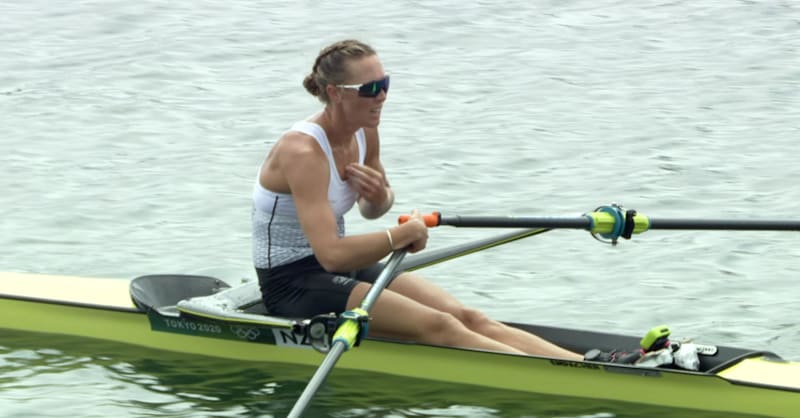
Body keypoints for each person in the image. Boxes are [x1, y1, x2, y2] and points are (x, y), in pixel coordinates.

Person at [252, 39, 581, 360]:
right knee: (440, 325)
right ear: (336, 93)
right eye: (369, 89)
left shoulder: (365, 129)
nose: (381, 96)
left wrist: (380, 196)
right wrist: (399, 236)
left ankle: (585, 364)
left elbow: (374, 209)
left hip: (338, 268)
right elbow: (332, 256)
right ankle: (569, 381)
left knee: (469, 317)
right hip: (292, 282)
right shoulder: (303, 152)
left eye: (385, 84)